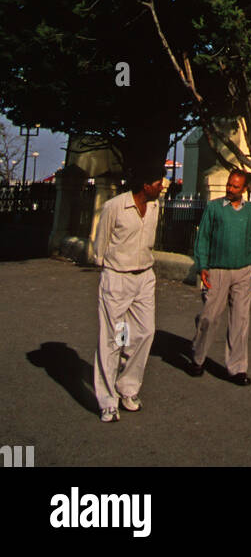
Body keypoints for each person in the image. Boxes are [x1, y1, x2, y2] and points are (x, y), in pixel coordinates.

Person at [92, 168, 164, 422]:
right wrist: (110, 271)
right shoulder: (115, 207)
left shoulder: (155, 207)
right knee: (114, 339)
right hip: (117, 279)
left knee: (144, 332)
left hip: (144, 278)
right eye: (158, 182)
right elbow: (100, 244)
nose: (162, 186)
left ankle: (127, 388)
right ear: (145, 185)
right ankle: (108, 400)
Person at [187, 169, 251, 385]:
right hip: (217, 270)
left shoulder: (249, 212)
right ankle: (198, 358)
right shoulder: (214, 208)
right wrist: (203, 266)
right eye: (229, 184)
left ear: (244, 189)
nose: (230, 189)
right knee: (209, 317)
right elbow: (203, 238)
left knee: (240, 321)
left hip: (242, 271)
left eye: (235, 186)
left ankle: (237, 369)